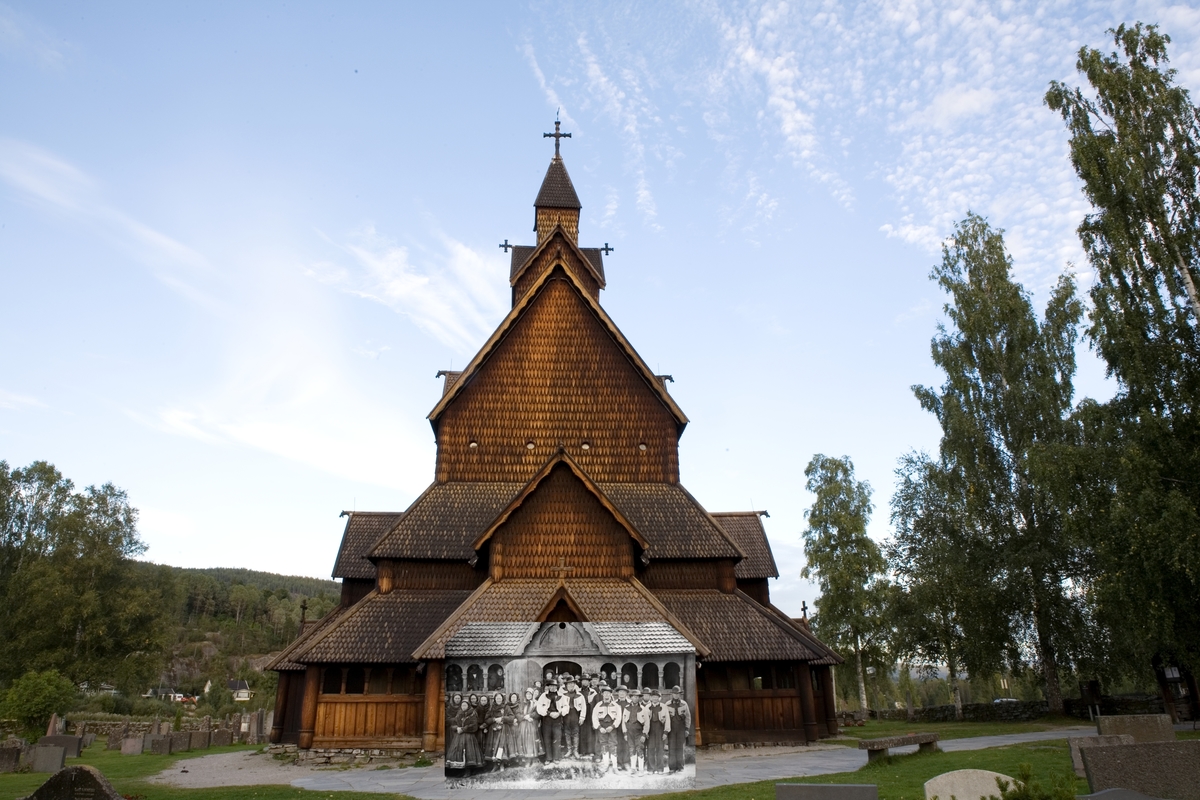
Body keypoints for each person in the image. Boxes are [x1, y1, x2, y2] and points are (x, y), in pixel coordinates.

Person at [590, 684, 622, 773]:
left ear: (611, 695)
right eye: (605, 693)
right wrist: (599, 727)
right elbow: (594, 718)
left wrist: (612, 726)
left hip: (612, 727)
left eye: (608, 693)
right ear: (602, 695)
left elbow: (619, 718)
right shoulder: (598, 705)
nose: (607, 695)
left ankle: (615, 767)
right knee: (603, 745)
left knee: (613, 745)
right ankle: (606, 765)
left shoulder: (616, 705)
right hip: (602, 727)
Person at [446, 699, 483, 771]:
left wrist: (463, 729)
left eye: (465, 705)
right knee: (457, 751)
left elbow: (474, 725)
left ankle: (468, 770)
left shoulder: (473, 713)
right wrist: (457, 728)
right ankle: (459, 769)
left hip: (469, 736)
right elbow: (453, 724)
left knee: (468, 752)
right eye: (462, 705)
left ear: (468, 706)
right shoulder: (459, 713)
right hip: (459, 736)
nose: (463, 707)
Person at [536, 680, 563, 763]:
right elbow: (539, 708)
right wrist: (548, 713)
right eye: (550, 686)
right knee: (547, 738)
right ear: (548, 687)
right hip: (547, 719)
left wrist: (559, 713)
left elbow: (566, 707)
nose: (552, 687)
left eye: (554, 686)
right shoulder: (543, 696)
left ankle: (556, 758)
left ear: (556, 687)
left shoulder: (561, 696)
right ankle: (548, 758)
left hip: (557, 719)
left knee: (557, 738)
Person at [666, 685, 691, 772]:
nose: (676, 695)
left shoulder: (684, 704)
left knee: (680, 748)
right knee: (672, 748)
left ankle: (680, 767)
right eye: (674, 693)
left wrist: (687, 729)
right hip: (671, 729)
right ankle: (672, 767)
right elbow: (665, 718)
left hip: (681, 729)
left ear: (680, 694)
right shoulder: (667, 704)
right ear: (672, 694)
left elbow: (688, 717)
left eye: (677, 694)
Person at [644, 689, 670, 774]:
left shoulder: (664, 707)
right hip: (650, 730)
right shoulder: (647, 707)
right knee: (650, 749)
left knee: (660, 749)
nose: (655, 699)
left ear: (660, 698)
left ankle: (660, 768)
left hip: (660, 729)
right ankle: (651, 768)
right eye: (653, 697)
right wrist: (645, 732)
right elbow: (644, 721)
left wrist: (665, 732)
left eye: (657, 697)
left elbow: (667, 720)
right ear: (651, 698)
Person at [625, 689, 647, 774]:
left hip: (639, 733)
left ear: (639, 698)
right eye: (634, 697)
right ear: (631, 698)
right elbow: (624, 722)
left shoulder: (642, 709)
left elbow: (647, 723)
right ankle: (633, 768)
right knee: (631, 749)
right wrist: (625, 733)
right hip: (630, 732)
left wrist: (644, 734)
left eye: (637, 697)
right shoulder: (627, 708)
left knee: (640, 749)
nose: (635, 698)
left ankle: (641, 769)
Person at [563, 676, 585, 759]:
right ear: (566, 686)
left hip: (575, 715)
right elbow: (560, 706)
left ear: (575, 685)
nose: (570, 686)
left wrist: (582, 717)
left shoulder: (580, 695)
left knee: (575, 733)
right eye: (569, 684)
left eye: (572, 684)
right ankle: (569, 750)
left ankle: (575, 750)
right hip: (566, 716)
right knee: (567, 733)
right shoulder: (563, 695)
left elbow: (583, 707)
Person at [516, 688, 541, 762]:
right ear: (525, 695)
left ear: (532, 695)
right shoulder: (521, 703)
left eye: (530, 694)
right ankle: (525, 757)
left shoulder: (535, 703)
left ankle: (532, 758)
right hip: (523, 723)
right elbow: (517, 714)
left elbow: (538, 713)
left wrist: (530, 715)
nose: (528, 695)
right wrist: (525, 717)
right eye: (527, 694)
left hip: (532, 723)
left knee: (531, 740)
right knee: (523, 739)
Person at [484, 692, 506, 766]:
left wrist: (502, 718)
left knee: (501, 746)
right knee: (494, 747)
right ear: (495, 699)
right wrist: (494, 719)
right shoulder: (491, 708)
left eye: (500, 698)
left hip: (503, 730)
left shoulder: (506, 707)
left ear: (502, 699)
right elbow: (486, 719)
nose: (498, 700)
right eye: (497, 698)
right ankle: (495, 765)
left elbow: (511, 717)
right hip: (493, 731)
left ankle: (502, 764)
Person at [502, 692, 522, 766]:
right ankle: (510, 759)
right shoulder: (507, 706)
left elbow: (521, 715)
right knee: (510, 742)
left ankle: (519, 759)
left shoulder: (519, 706)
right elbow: (506, 715)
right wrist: (511, 721)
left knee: (517, 741)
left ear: (517, 698)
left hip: (517, 725)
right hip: (509, 725)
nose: (513, 699)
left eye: (515, 697)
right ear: (510, 698)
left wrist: (517, 719)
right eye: (512, 697)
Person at [615, 685, 631, 771]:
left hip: (627, 727)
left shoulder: (629, 703)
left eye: (623, 692)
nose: (621, 693)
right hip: (617, 727)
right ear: (617, 693)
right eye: (620, 692)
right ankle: (619, 763)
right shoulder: (614, 703)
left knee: (627, 744)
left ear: (626, 693)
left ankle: (626, 762)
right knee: (618, 744)